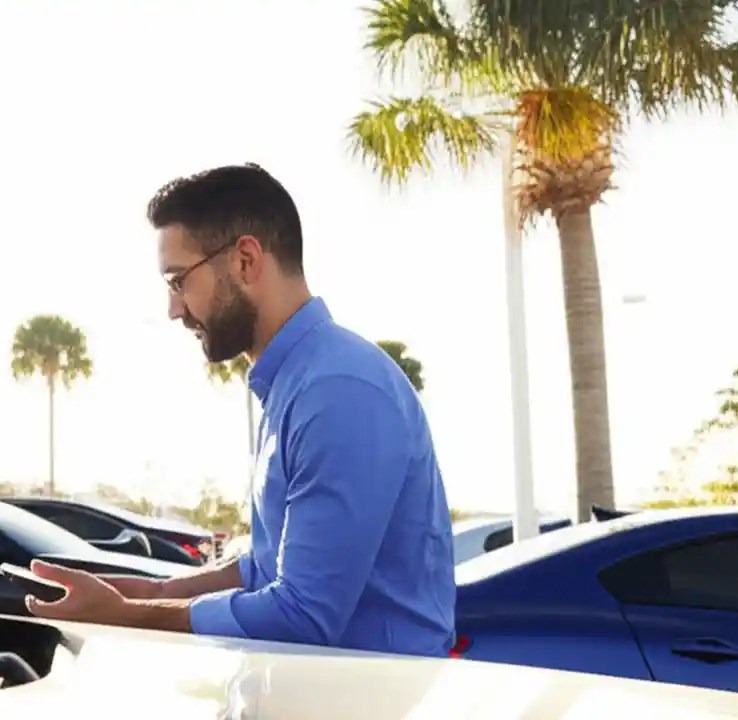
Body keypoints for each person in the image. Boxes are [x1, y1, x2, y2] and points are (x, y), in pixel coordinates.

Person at [25, 163, 456, 656]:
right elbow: (267, 568)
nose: (174, 309)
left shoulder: (338, 391)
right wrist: (152, 592)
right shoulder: (299, 382)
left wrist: (125, 616)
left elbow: (304, 615)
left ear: (246, 261)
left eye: (178, 281)